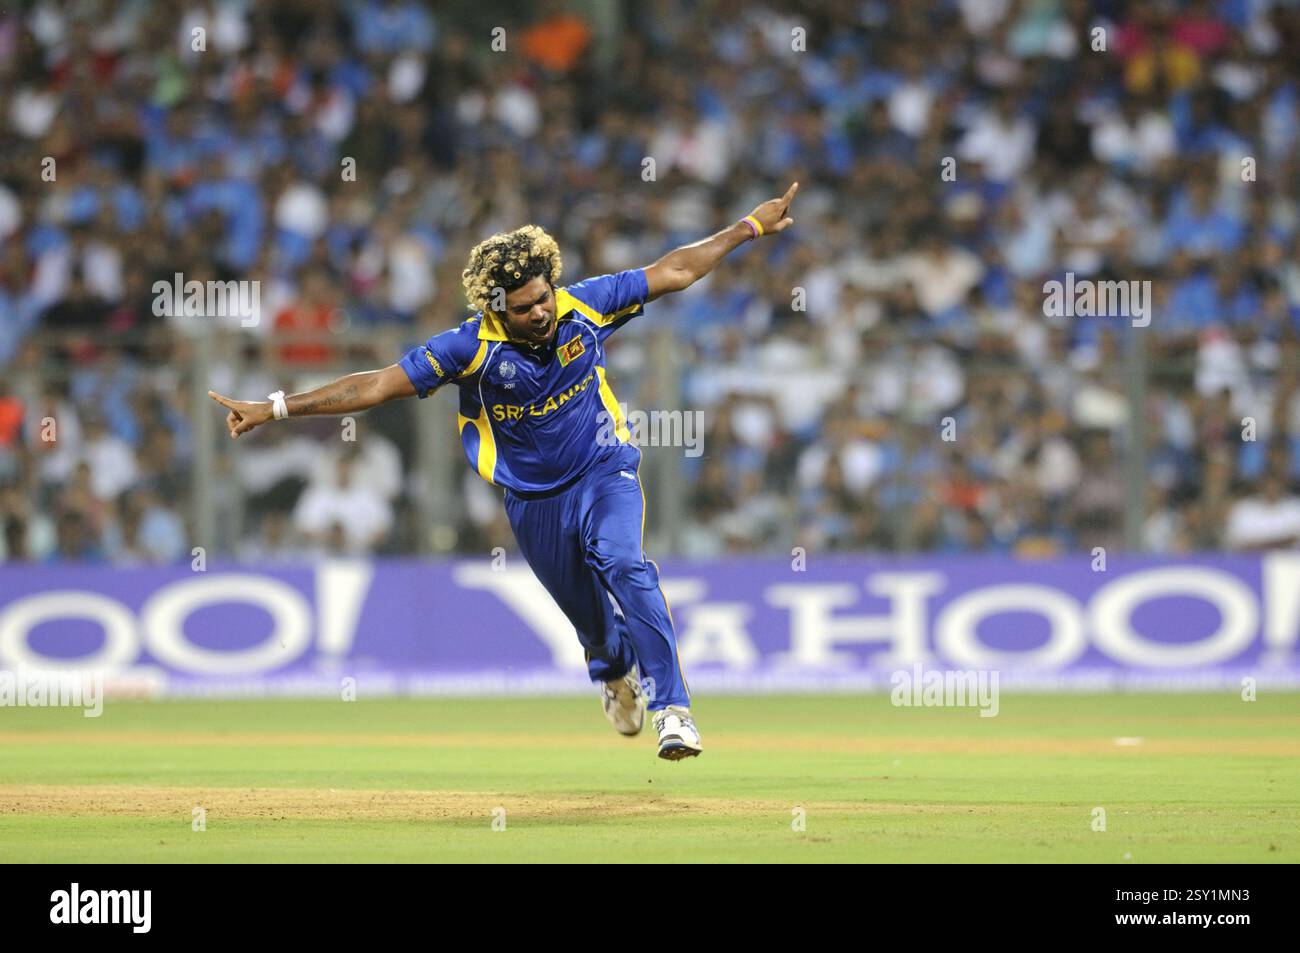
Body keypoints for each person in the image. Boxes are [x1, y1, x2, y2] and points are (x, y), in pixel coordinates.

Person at [208, 183, 799, 759]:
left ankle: (674, 709)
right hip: (533, 499)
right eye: (523, 307)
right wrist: (279, 407)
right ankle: (612, 671)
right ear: (497, 307)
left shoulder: (583, 305)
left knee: (624, 562)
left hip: (603, 468)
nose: (540, 312)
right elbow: (377, 384)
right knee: (591, 623)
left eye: (543, 297)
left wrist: (748, 227)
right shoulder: (468, 349)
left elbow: (674, 270)